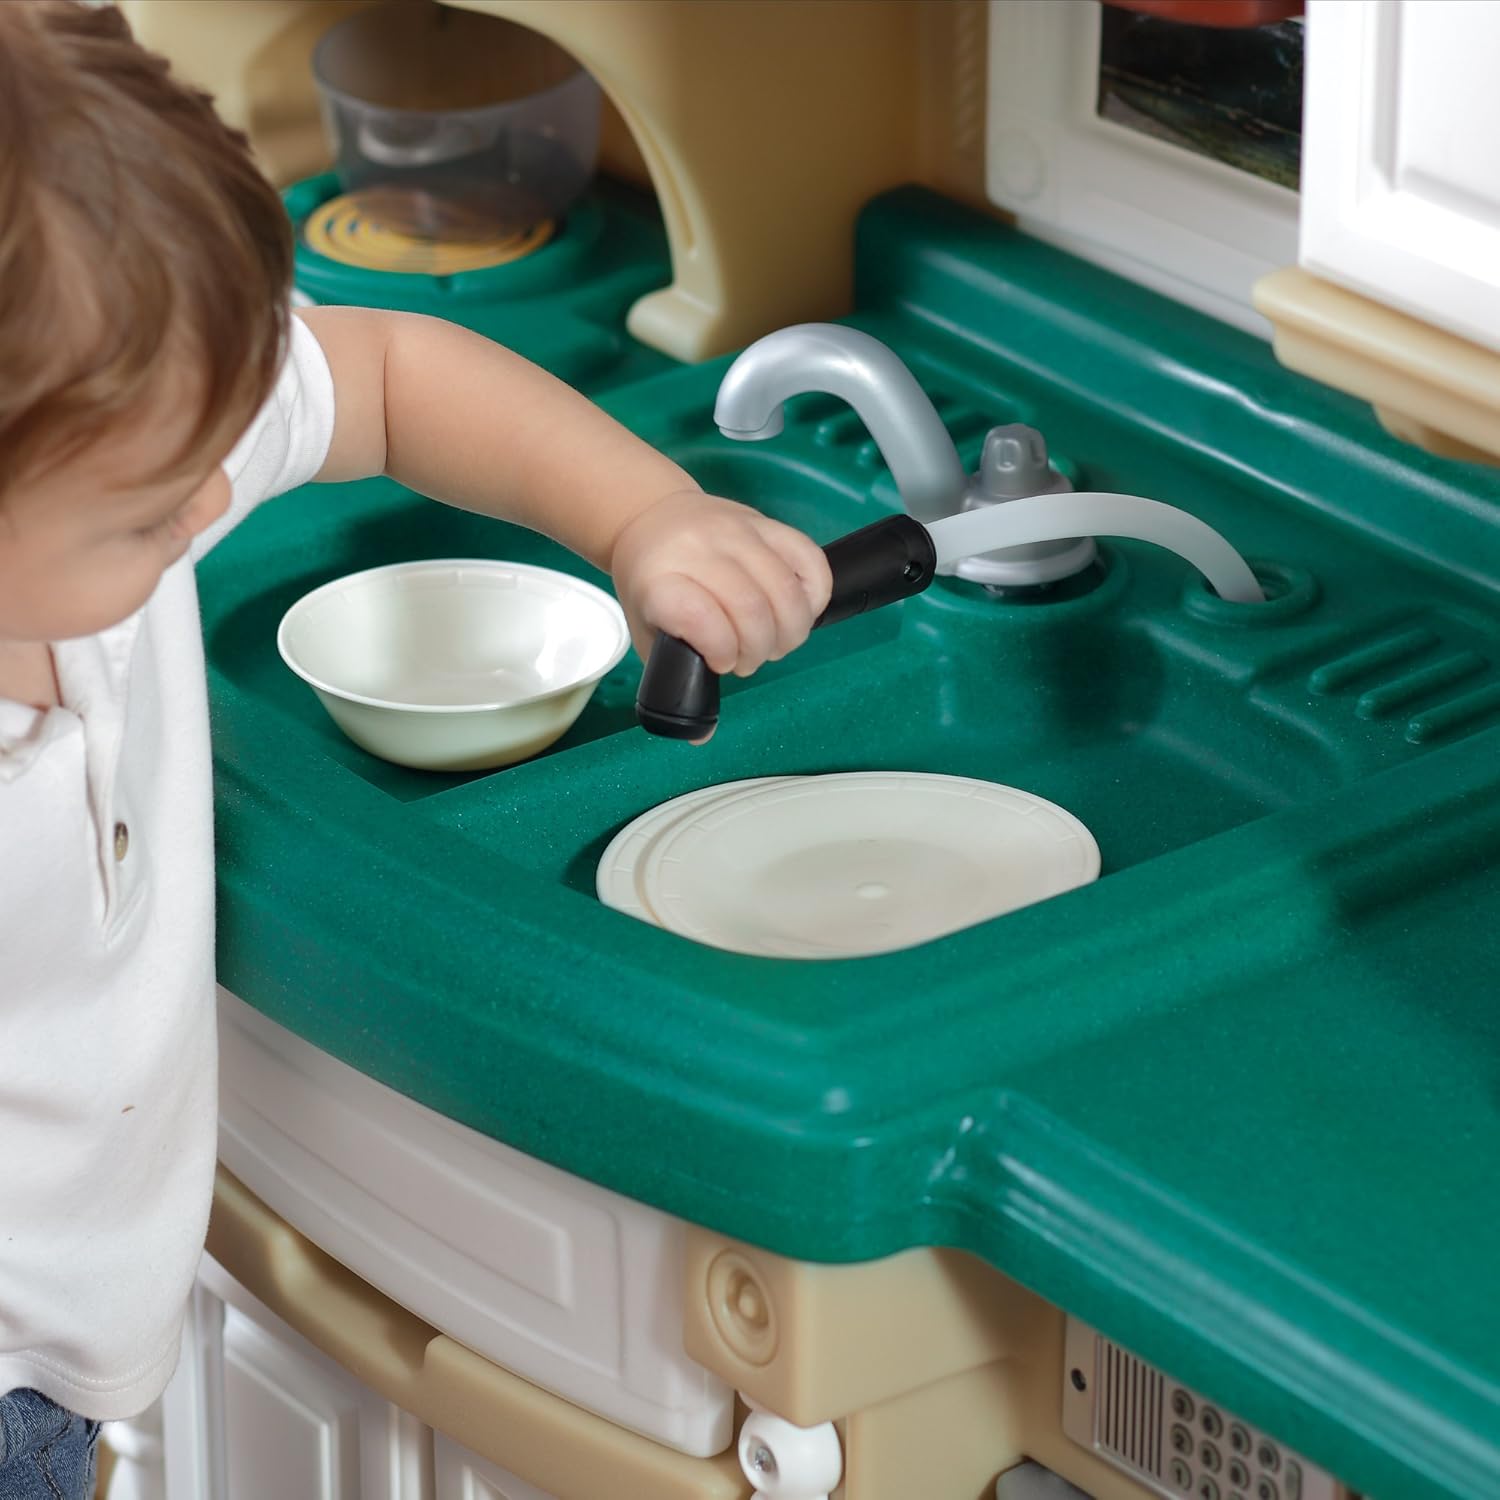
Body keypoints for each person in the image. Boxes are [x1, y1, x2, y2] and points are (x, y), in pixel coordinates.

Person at [0, 4, 832, 1494]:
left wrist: (651, 520)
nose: (216, 497)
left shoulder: (110, 414)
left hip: (61, 1355)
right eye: (148, 515)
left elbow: (384, 377)